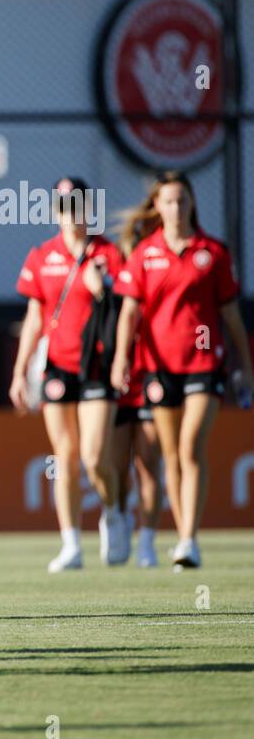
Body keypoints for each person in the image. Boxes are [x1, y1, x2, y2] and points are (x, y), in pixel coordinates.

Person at [111, 171, 252, 570]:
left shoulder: (213, 252)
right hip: (159, 368)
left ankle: (189, 539)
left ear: (192, 203)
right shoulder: (144, 254)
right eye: (169, 201)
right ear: (157, 206)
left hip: (205, 362)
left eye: (182, 200)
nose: (176, 208)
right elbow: (129, 313)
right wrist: (123, 357)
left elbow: (232, 316)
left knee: (191, 447)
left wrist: (245, 365)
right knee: (170, 455)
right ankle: (180, 535)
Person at [9, 177, 127, 572]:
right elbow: (34, 317)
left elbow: (127, 309)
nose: (72, 214)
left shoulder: (109, 253)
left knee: (95, 457)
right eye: (64, 206)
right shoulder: (42, 255)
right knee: (65, 456)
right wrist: (20, 368)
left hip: (96, 365)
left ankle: (112, 512)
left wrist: (101, 288)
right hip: (57, 364)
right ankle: (71, 543)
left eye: (78, 205)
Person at [109, 206, 163, 567]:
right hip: (115, 379)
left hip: (150, 377)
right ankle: (120, 516)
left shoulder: (160, 274)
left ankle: (147, 541)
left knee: (148, 464)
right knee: (114, 467)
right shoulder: (111, 270)